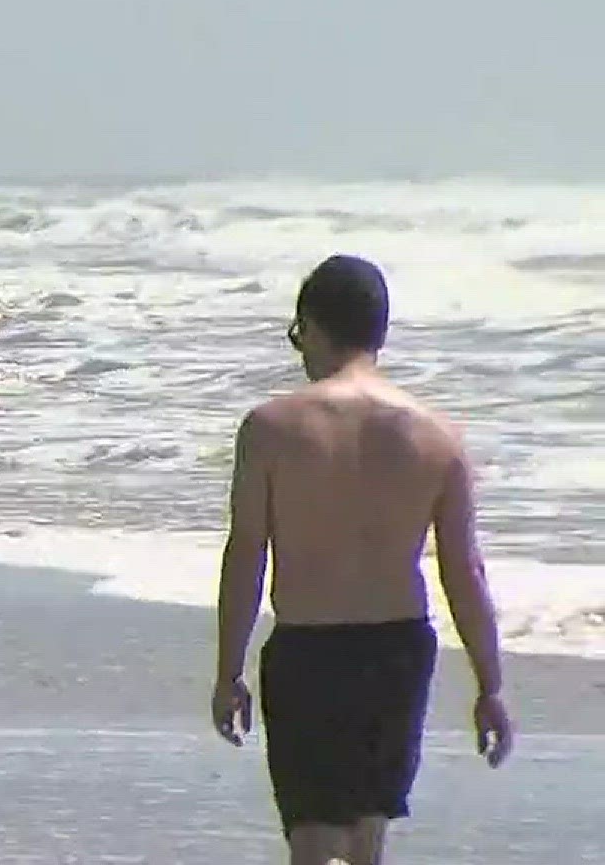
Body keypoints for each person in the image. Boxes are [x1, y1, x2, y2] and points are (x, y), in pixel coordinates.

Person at [212, 254, 512, 865]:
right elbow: (464, 571)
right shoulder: (439, 437)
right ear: (379, 331)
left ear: (311, 327)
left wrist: (228, 672)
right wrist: (491, 686)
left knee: (312, 842)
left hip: (307, 650)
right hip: (397, 651)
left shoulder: (271, 428)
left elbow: (247, 552)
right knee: (366, 840)